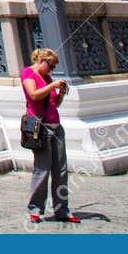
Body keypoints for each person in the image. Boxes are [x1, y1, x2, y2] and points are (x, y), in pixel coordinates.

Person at [22, 48, 78, 224]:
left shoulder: (47, 78)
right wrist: (51, 86)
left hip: (56, 126)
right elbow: (34, 95)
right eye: (51, 66)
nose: (52, 70)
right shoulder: (28, 74)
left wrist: (60, 93)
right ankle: (35, 209)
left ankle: (62, 210)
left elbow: (54, 103)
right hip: (41, 128)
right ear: (42, 61)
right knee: (42, 169)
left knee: (60, 170)